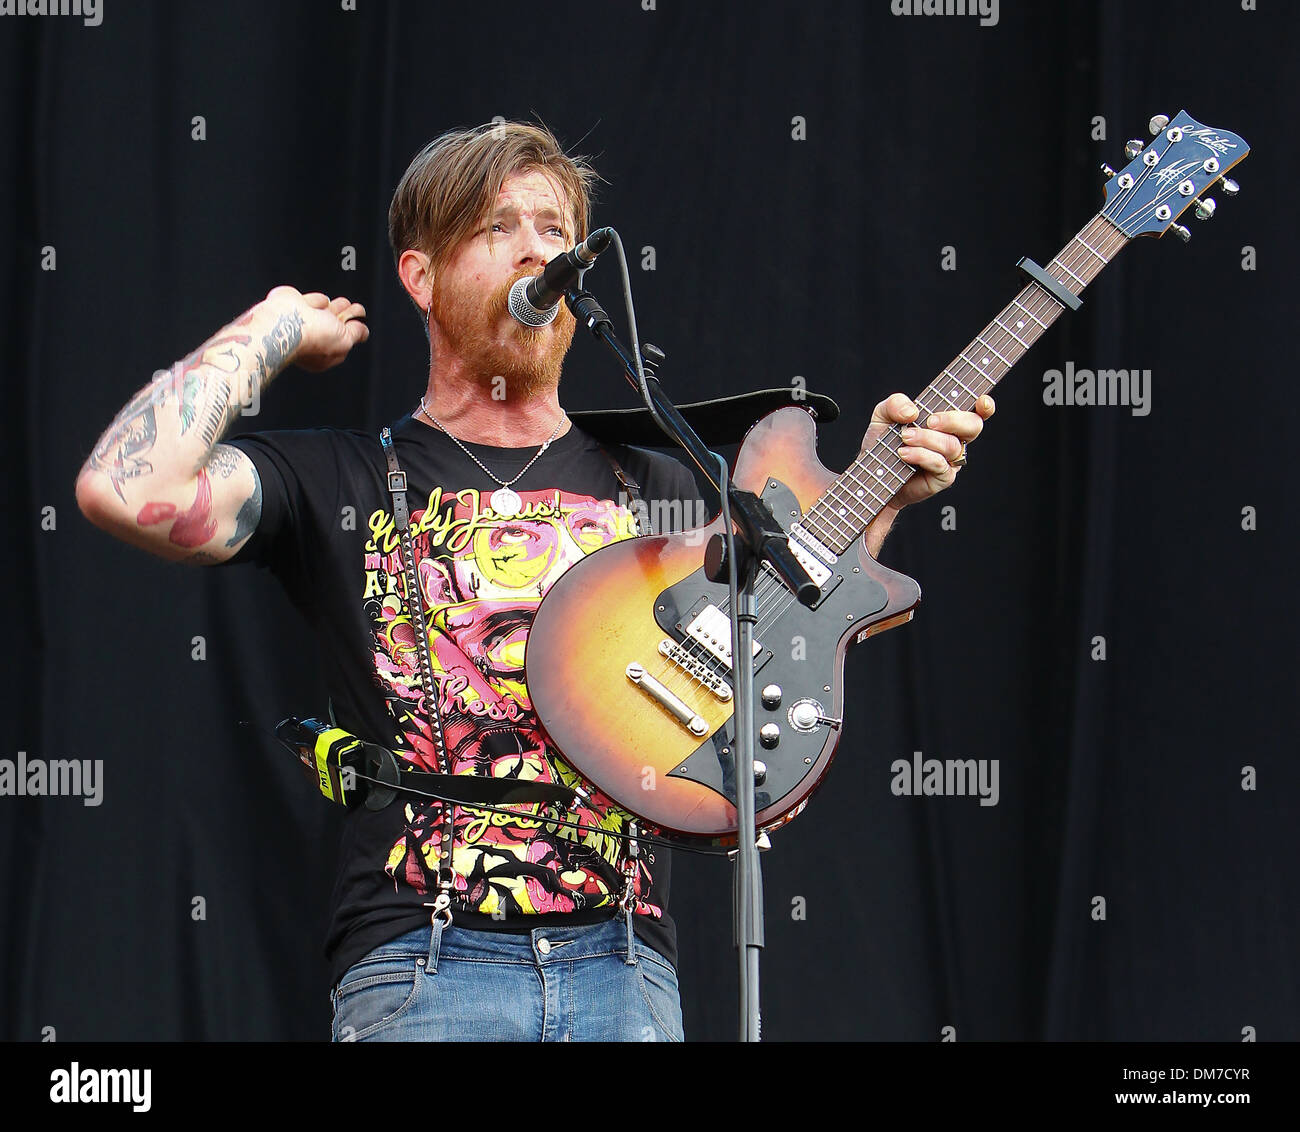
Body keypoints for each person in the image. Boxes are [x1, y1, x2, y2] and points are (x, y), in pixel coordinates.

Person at [75, 119, 994, 1042]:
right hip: (423, 963)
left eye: (555, 229)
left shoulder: (671, 486)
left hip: (625, 968)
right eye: (496, 226)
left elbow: (788, 655)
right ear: (421, 278)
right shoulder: (344, 482)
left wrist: (878, 497)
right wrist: (271, 329)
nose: (536, 249)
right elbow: (127, 489)